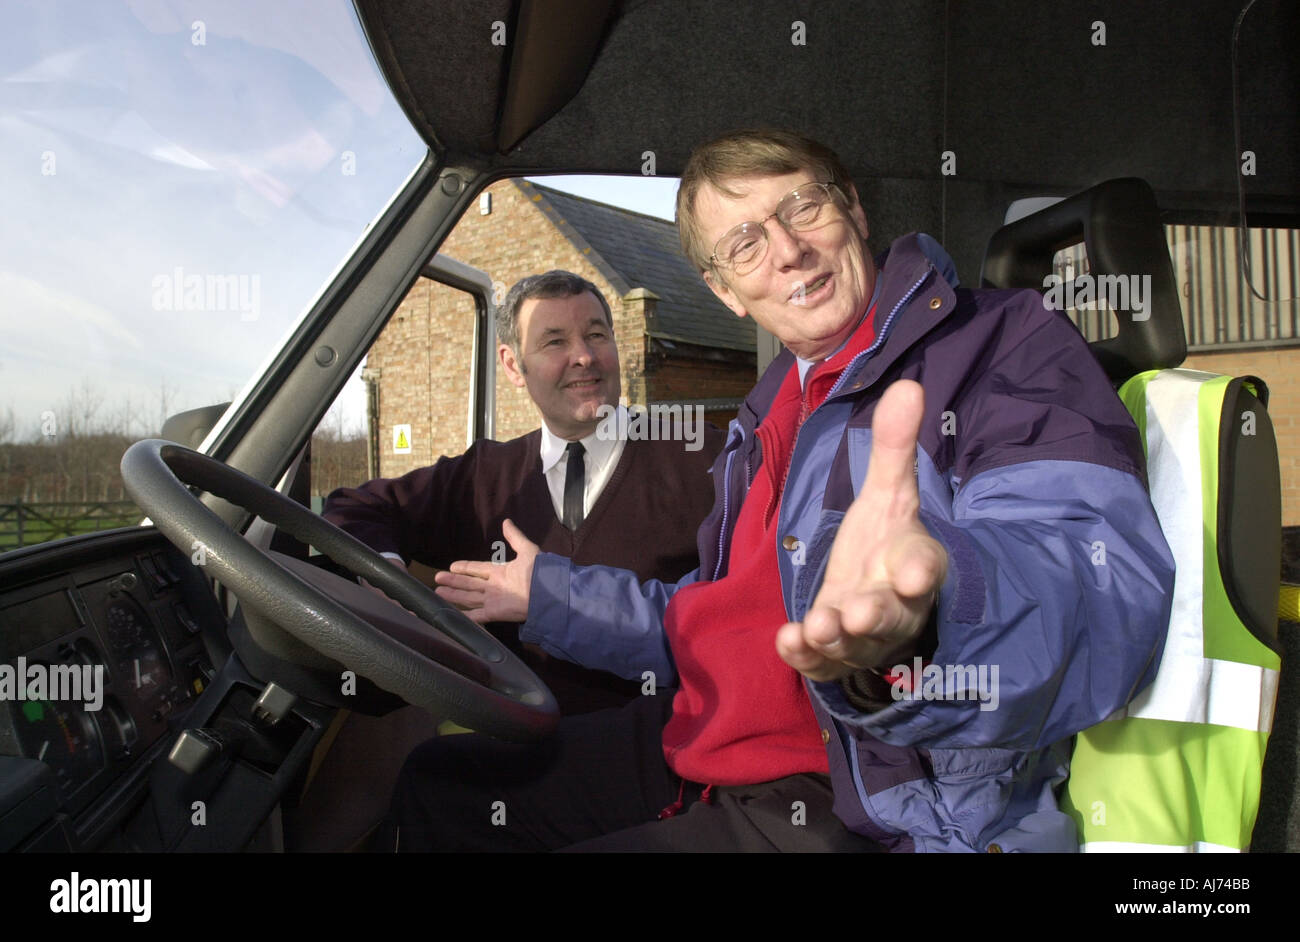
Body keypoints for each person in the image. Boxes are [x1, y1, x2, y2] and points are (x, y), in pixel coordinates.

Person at [396, 129, 1175, 852]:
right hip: (698, 738)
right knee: (438, 786)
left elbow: (1104, 586)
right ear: (725, 291)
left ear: (853, 208)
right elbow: (709, 612)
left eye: (802, 206)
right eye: (746, 242)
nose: (790, 252)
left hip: (853, 793)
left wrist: (932, 620)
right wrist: (551, 597)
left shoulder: (1004, 344)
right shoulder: (771, 405)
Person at [324, 270, 723, 714]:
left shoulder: (709, 458)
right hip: (523, 743)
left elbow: (740, 618)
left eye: (596, 335)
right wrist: (385, 579)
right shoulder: (485, 476)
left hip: (666, 750)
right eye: (555, 342)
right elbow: (354, 508)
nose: (585, 357)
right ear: (514, 366)